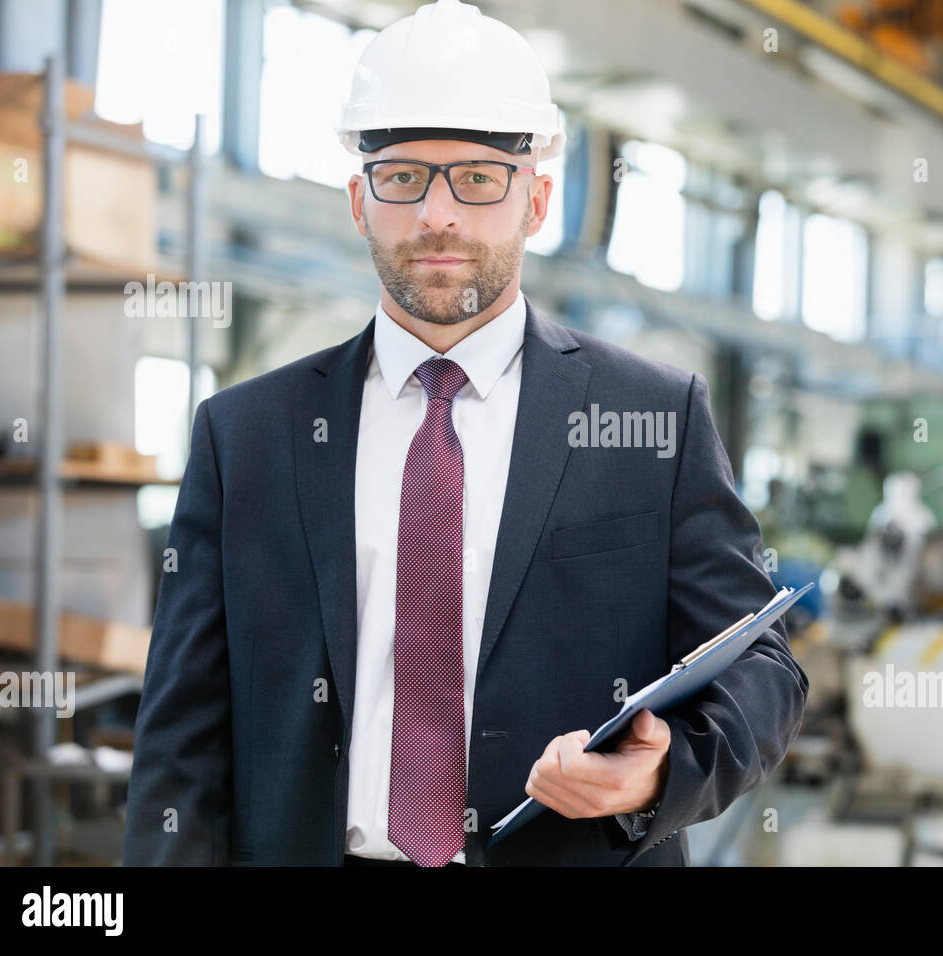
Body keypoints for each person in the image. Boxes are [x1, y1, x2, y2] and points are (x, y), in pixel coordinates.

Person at [122, 0, 807, 868]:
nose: (439, 214)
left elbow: (763, 669)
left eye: (479, 177)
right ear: (358, 201)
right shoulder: (247, 436)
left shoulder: (652, 421)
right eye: (403, 176)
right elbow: (180, 739)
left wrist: (664, 771)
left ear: (537, 199)